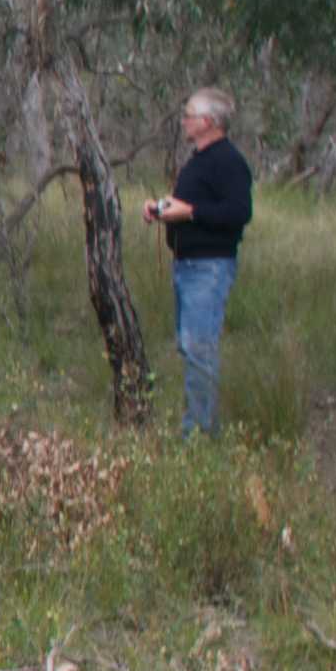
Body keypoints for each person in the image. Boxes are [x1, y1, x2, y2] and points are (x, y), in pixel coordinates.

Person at [141, 87, 252, 437]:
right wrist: (162, 208)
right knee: (189, 347)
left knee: (199, 348)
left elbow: (238, 212)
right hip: (187, 266)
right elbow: (192, 205)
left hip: (209, 268)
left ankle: (199, 435)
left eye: (189, 115)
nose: (184, 121)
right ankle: (200, 427)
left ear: (208, 122)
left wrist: (189, 211)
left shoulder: (229, 161)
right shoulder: (199, 160)